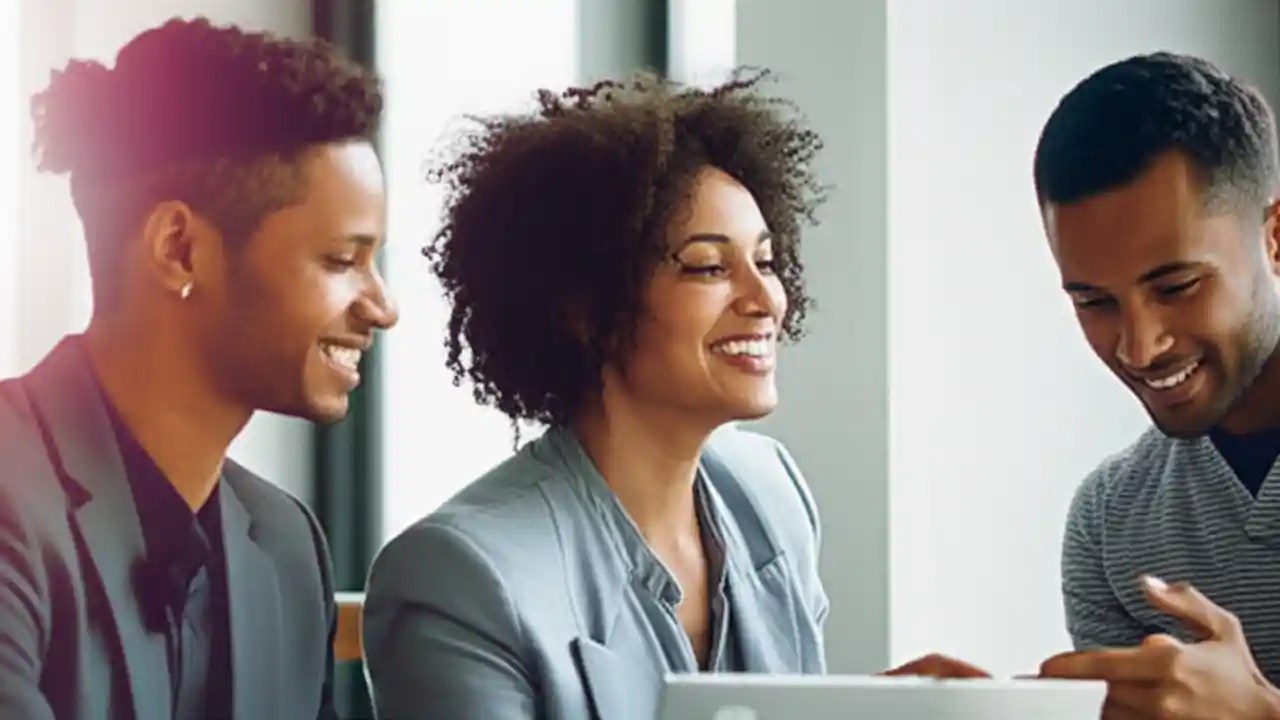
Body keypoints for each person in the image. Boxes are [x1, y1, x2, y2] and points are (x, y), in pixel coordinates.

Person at [361, 69, 829, 719]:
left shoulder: (770, 495)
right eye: (709, 267)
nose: (764, 299)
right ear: (585, 306)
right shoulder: (462, 577)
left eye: (767, 262)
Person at [0, 17, 396, 719]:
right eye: (341, 260)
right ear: (180, 249)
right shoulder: (13, 500)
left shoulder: (287, 547)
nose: (382, 307)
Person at [1032, 52, 1280, 718]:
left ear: (1276, 239)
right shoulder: (1110, 523)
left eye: (1175, 287)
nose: (1138, 346)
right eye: (1094, 301)